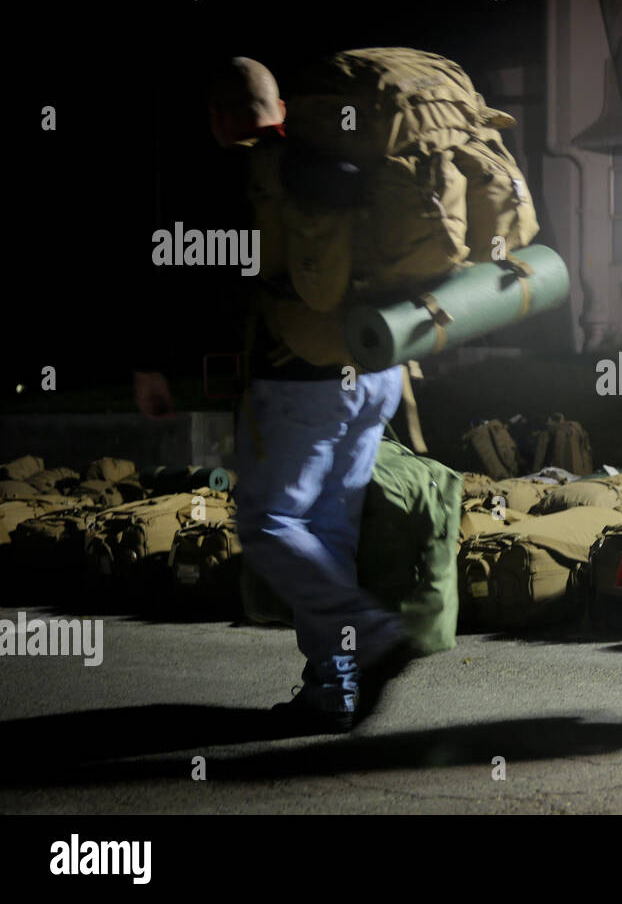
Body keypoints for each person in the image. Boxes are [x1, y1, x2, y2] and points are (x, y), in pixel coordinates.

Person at [134, 57, 416, 734]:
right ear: (283, 108)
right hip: (378, 366)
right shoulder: (338, 156)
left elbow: (188, 271)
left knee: (268, 524)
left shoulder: (245, 171)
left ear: (221, 117)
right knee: (327, 535)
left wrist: (153, 365)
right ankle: (334, 689)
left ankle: (371, 637)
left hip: (302, 381)